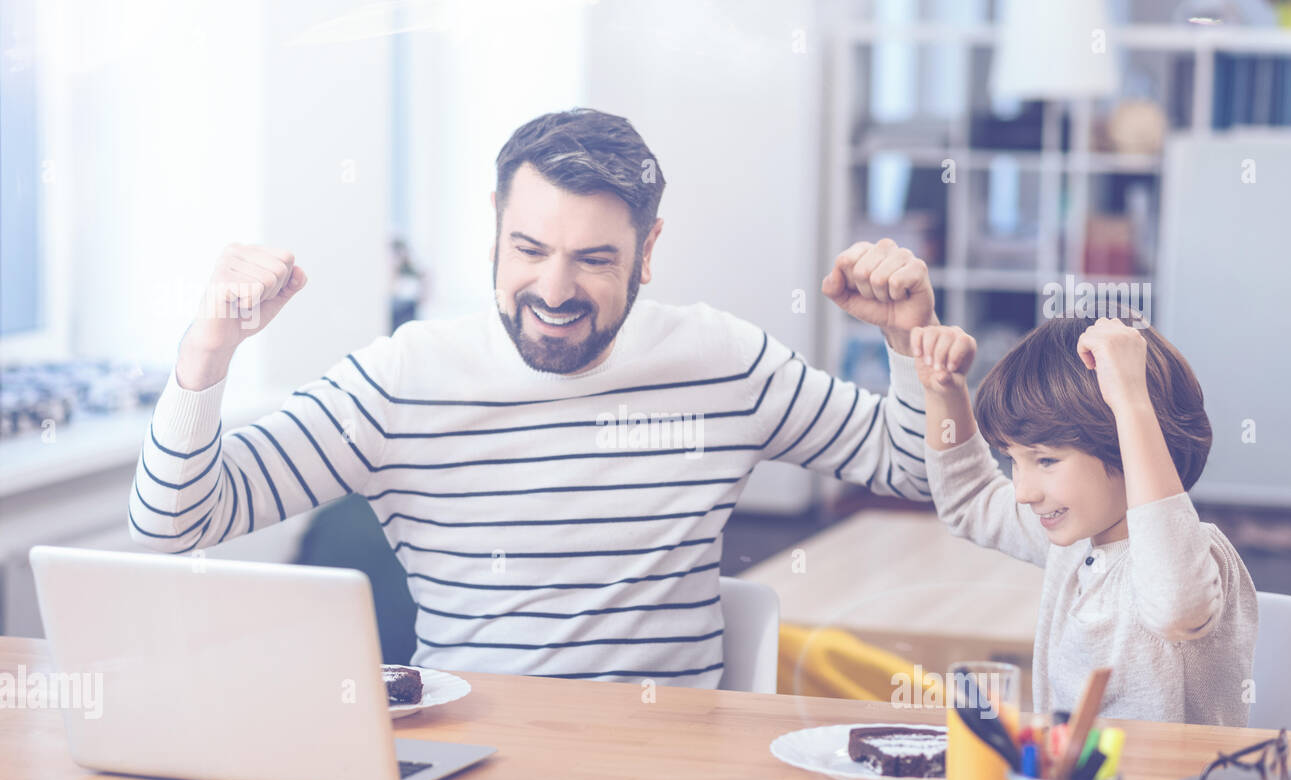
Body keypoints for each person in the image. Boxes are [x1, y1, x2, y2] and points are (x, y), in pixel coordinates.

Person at [129, 108, 940, 687]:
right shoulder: (403, 378)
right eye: (528, 249)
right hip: (470, 768)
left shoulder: (721, 360)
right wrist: (209, 349)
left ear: (649, 248)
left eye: (592, 258)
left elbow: (915, 468)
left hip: (673, 773)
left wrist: (908, 343)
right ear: (494, 226)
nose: (553, 291)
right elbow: (174, 525)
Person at [912, 317, 1257, 724]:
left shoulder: (1196, 557)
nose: (1023, 491)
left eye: (1046, 460)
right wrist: (946, 396)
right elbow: (968, 500)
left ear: (1126, 438)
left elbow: (1173, 607)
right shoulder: (1078, 541)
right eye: (1013, 461)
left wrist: (1130, 400)